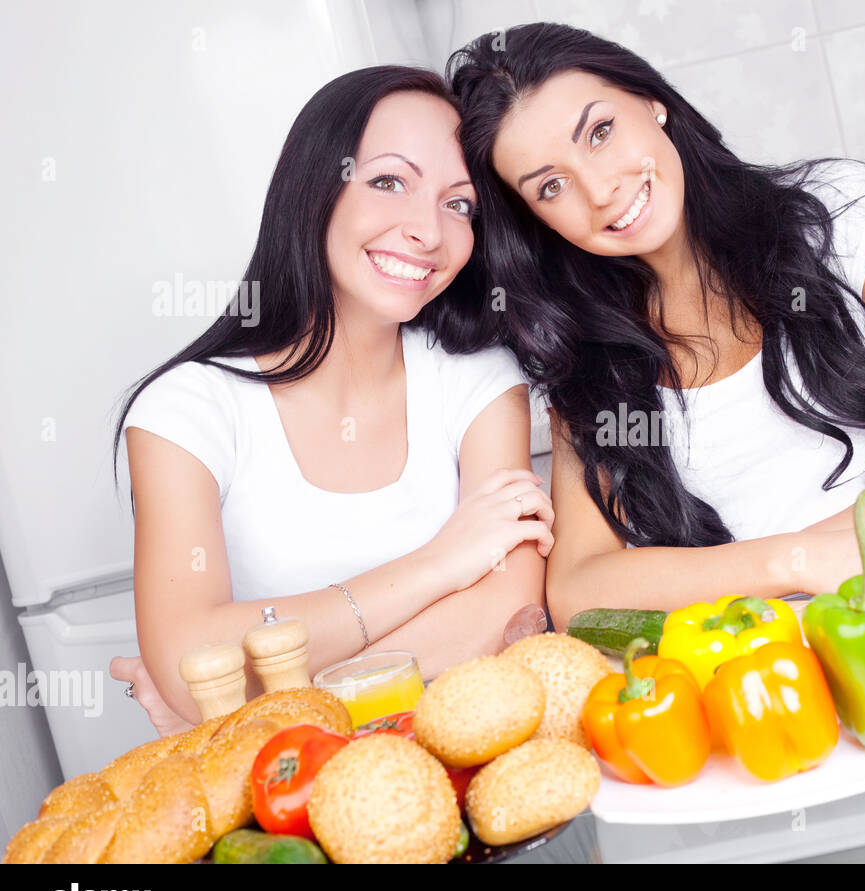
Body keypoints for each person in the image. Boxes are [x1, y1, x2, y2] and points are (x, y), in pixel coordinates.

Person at [444, 24, 865, 630]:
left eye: (600, 131)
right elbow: (578, 591)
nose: (600, 190)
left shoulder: (840, 219)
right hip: (757, 687)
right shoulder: (589, 354)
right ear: (537, 218)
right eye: (552, 186)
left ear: (651, 101)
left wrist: (799, 562)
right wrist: (794, 563)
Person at [109, 66, 553, 733]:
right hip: (292, 805)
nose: (427, 232)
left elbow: (509, 611)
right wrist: (440, 563)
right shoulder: (187, 411)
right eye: (387, 181)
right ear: (314, 188)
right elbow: (189, 656)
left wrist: (250, 697)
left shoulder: (479, 379)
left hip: (476, 758)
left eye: (459, 203)